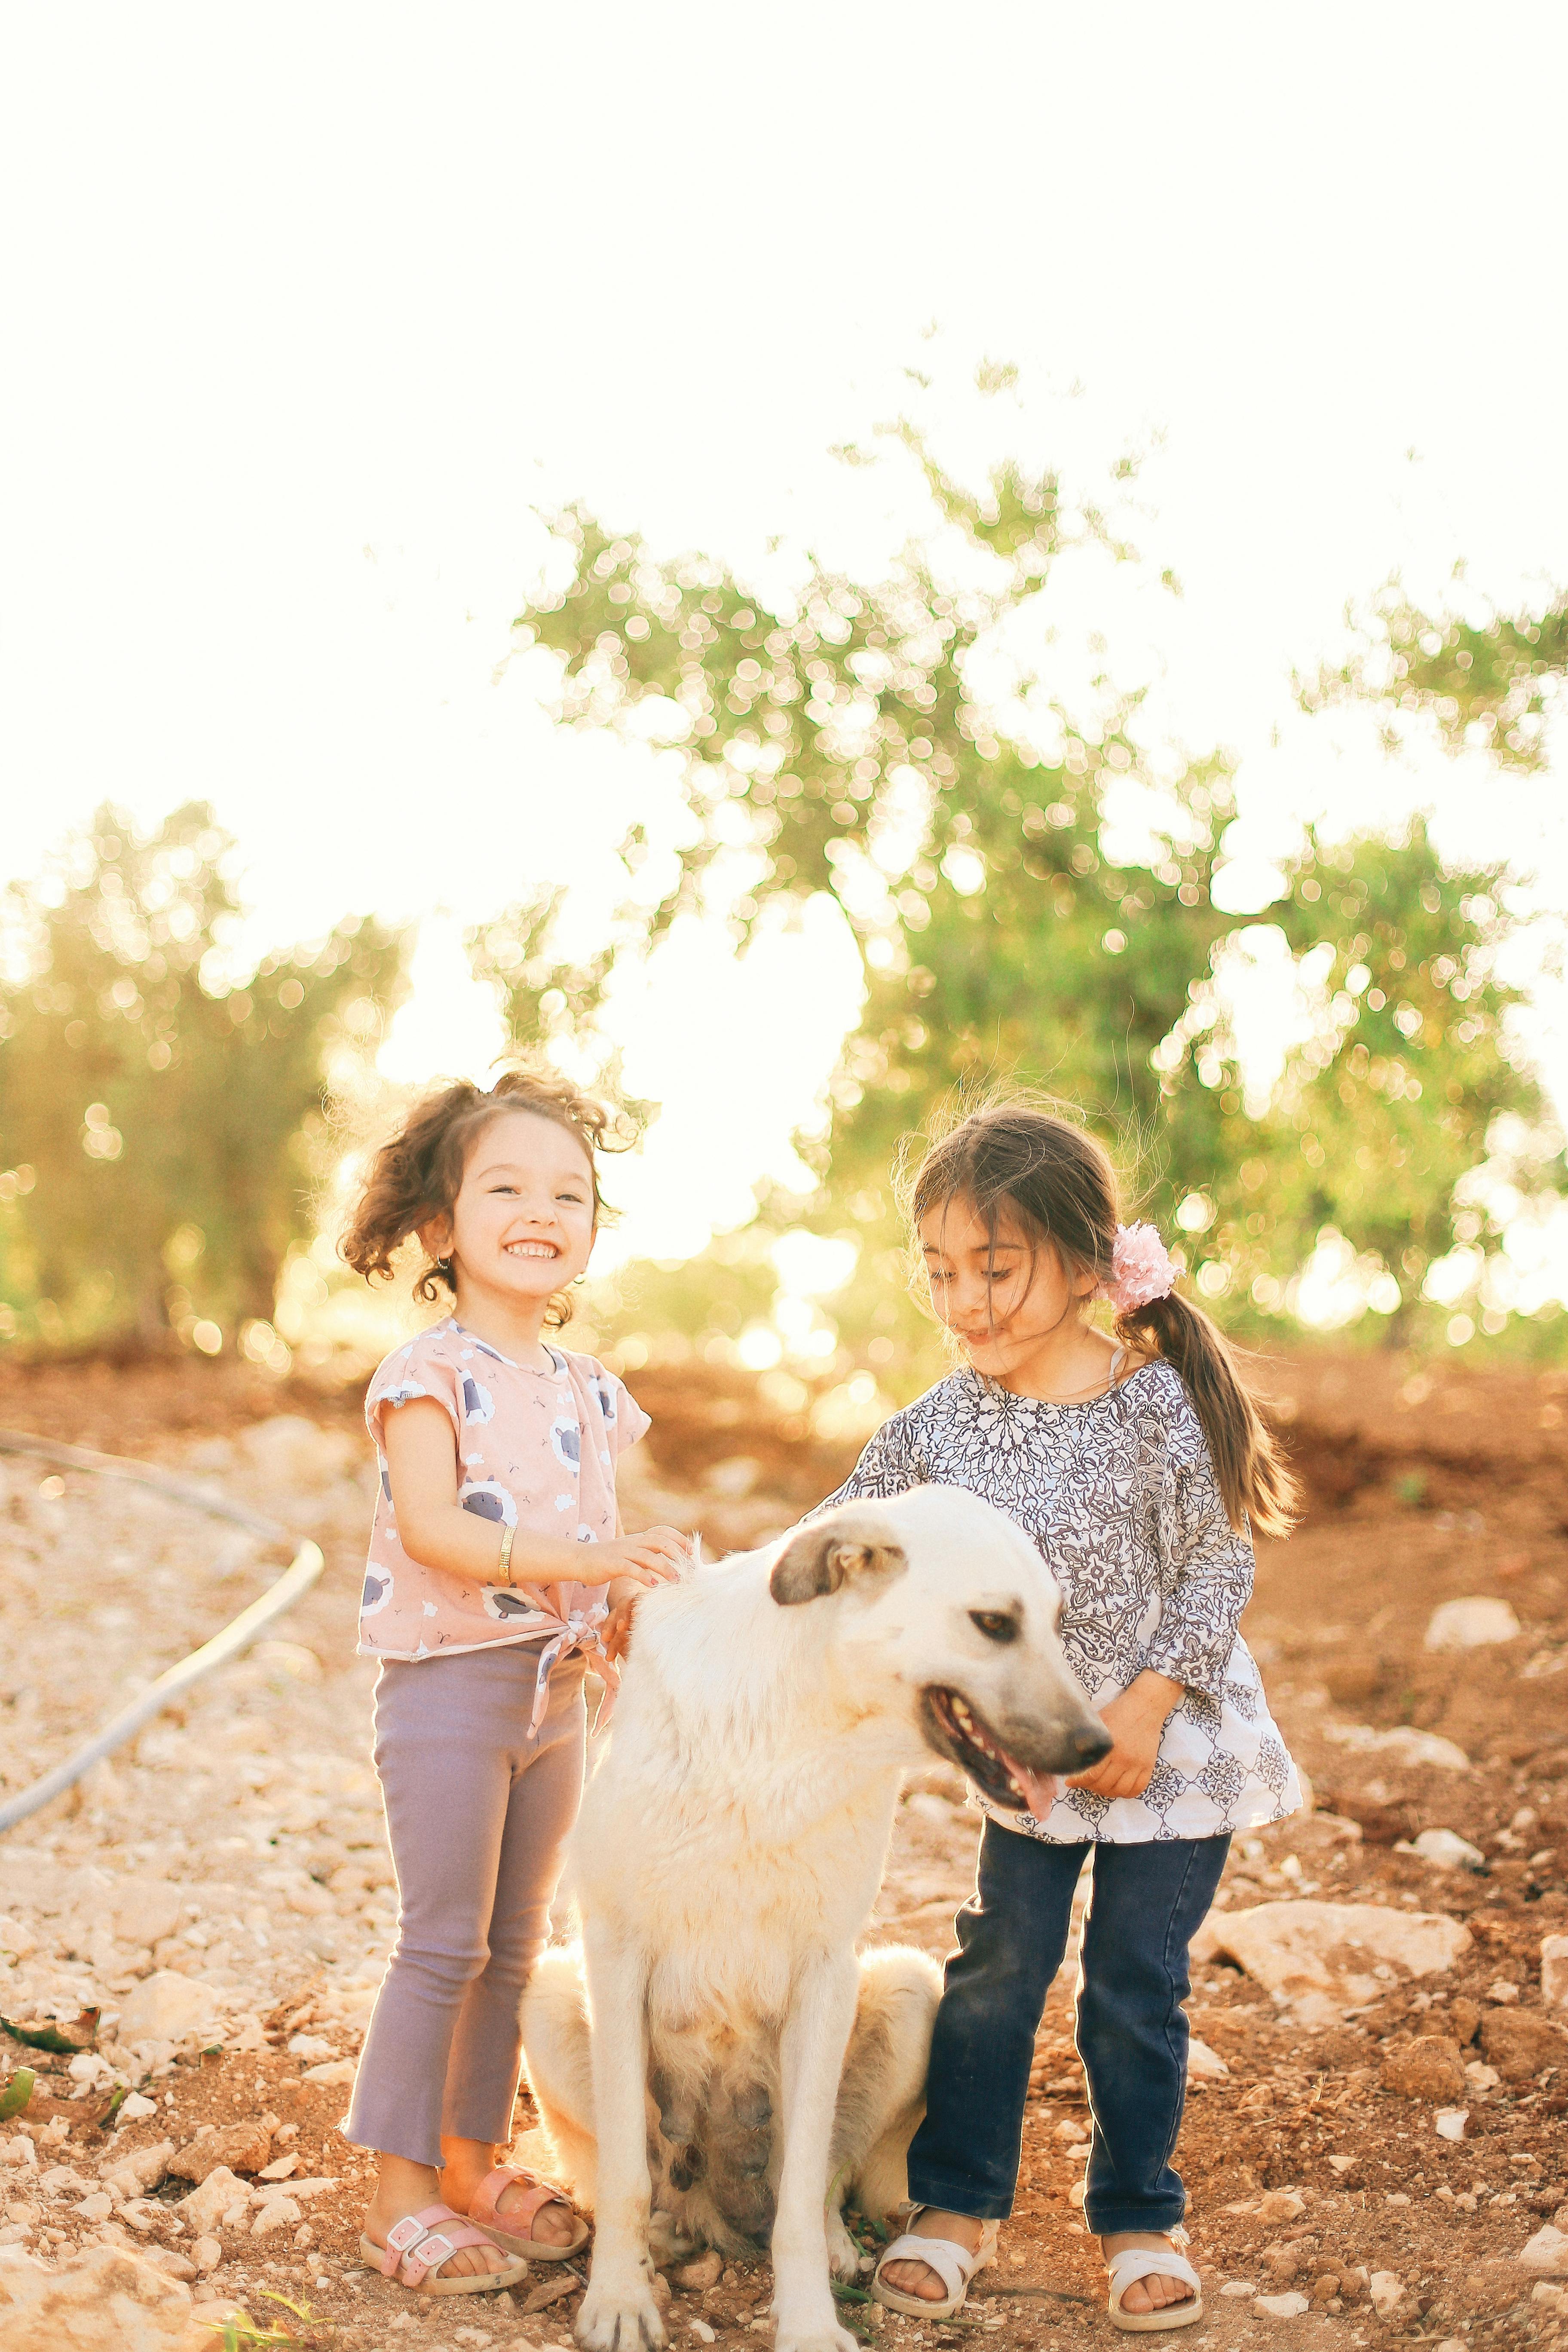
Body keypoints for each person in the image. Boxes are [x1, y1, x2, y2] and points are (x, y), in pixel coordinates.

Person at [832, 1102, 1302, 2334]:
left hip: (1164, 1745)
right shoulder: (937, 1425)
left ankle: (1142, 2216)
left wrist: (1143, 1707)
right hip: (1027, 1758)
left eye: (996, 1268)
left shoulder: (1153, 1407)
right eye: (942, 1273)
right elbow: (833, 1539)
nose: (967, 1302)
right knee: (995, 1972)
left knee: (1130, 1987)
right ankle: (959, 2205)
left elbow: (1214, 1569)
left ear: (1088, 1264)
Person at [337, 1066, 689, 2300]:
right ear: (441, 1228)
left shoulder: (592, 1392)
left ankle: (472, 2164)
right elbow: (433, 1528)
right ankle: (396, 2201)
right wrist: (589, 1559)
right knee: (440, 1940)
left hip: (554, 1703)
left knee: (512, 1944)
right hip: (445, 1691)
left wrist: (633, 1591)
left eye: (570, 1193)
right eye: (507, 1188)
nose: (542, 1210)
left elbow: (601, 1548)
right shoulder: (426, 1374)